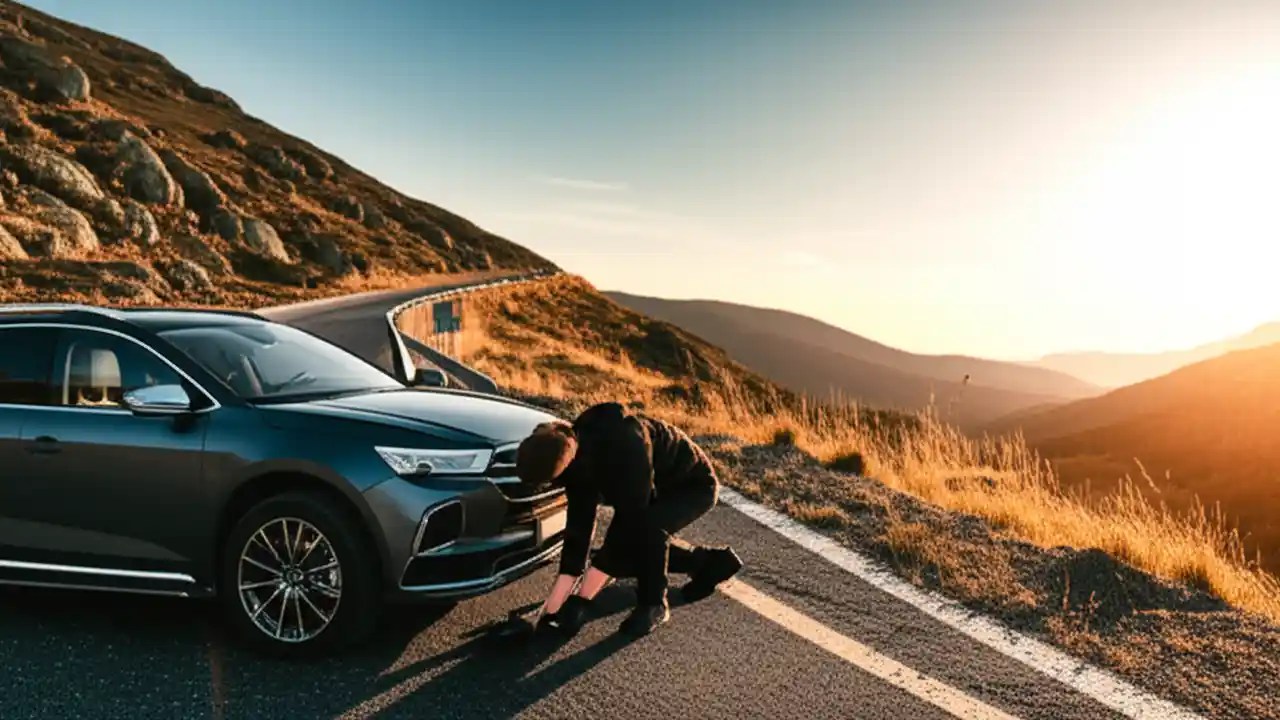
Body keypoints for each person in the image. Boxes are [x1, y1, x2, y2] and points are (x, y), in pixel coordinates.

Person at [514, 401, 743, 638]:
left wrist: (582, 600)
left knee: (644, 532)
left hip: (692, 486)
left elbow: (626, 527)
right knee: (629, 547)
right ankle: (708, 564)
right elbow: (578, 532)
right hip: (650, 491)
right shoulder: (573, 457)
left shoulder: (627, 446)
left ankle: (655, 605)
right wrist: (549, 612)